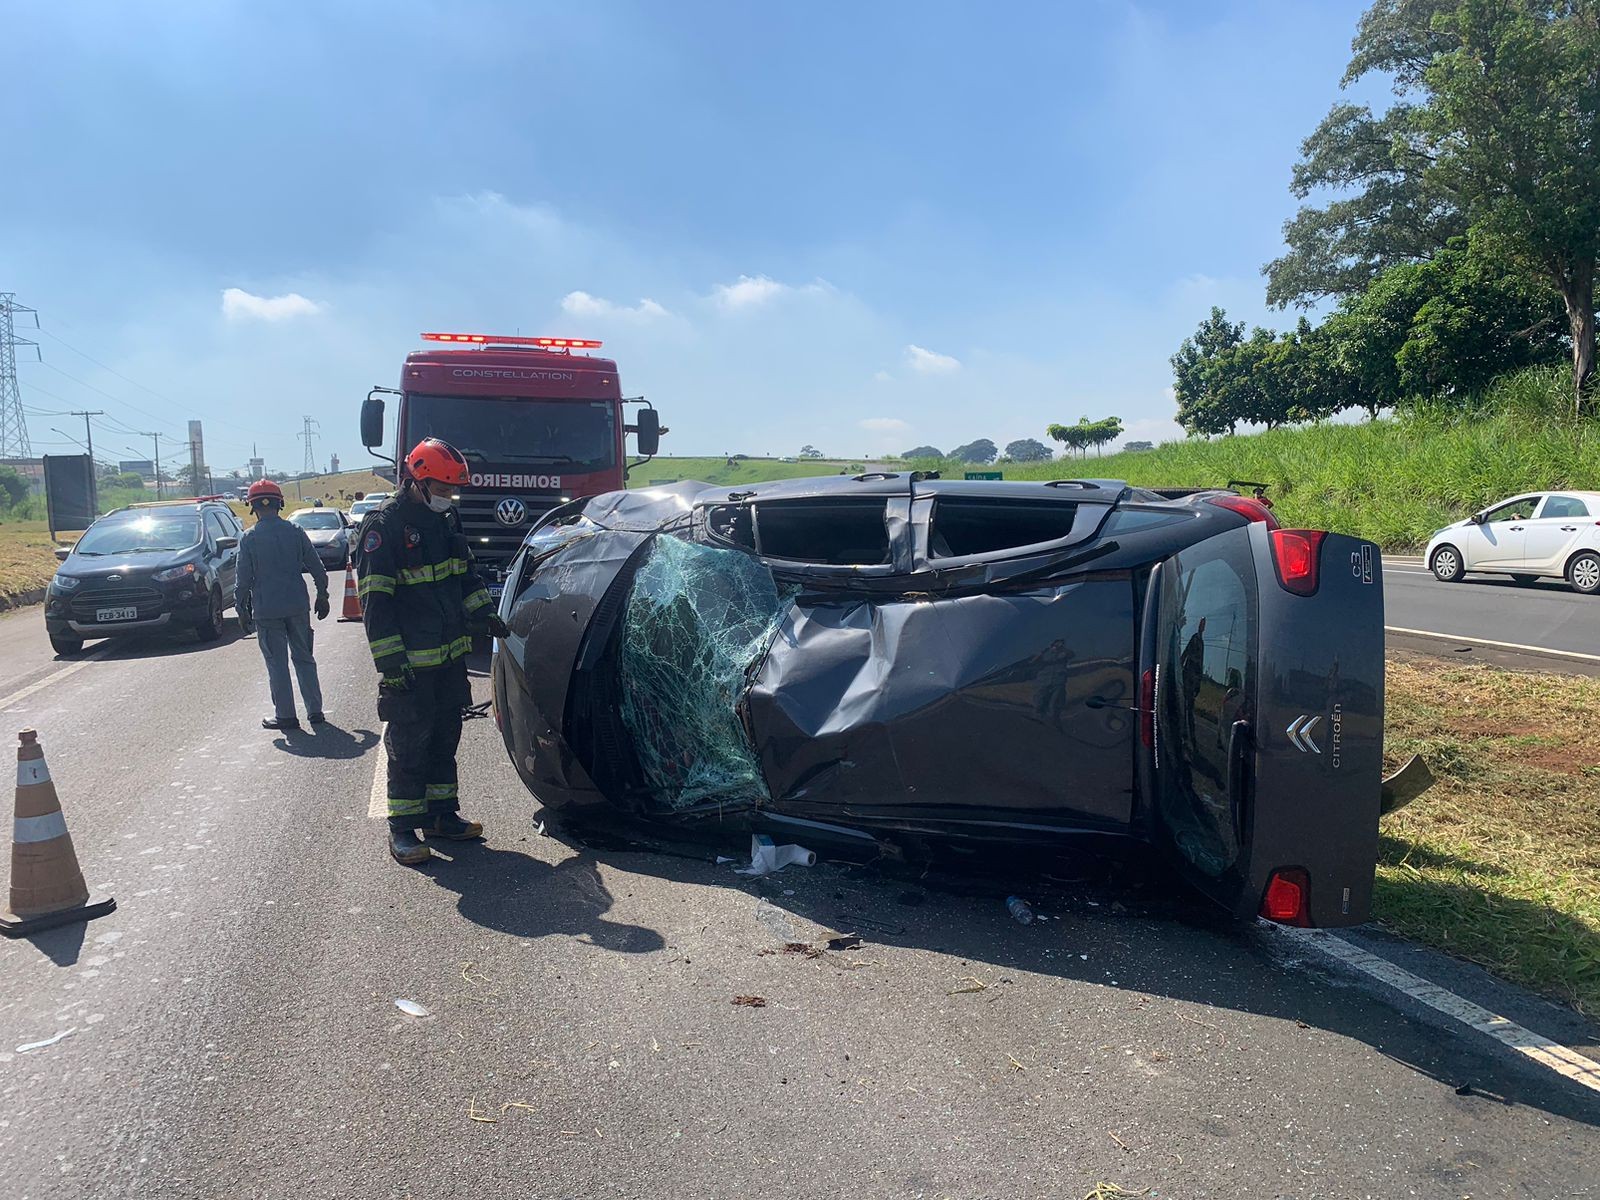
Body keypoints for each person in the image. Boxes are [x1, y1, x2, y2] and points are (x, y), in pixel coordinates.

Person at [354, 438, 509, 865]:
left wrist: (485, 615)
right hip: (410, 665)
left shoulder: (446, 521)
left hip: (448, 661)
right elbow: (375, 604)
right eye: (441, 488)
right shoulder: (383, 528)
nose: (448, 496)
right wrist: (391, 664)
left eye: (451, 489)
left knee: (445, 740)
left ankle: (442, 815)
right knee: (409, 747)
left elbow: (465, 577)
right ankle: (402, 827)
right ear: (416, 481)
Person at [235, 478, 330, 731]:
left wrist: (241, 609)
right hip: (297, 606)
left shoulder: (249, 538)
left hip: (267, 610)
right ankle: (315, 711)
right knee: (304, 658)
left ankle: (286, 716)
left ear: (252, 507)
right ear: (280, 503)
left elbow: (243, 580)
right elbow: (317, 568)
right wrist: (323, 595)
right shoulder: (295, 532)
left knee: (277, 663)